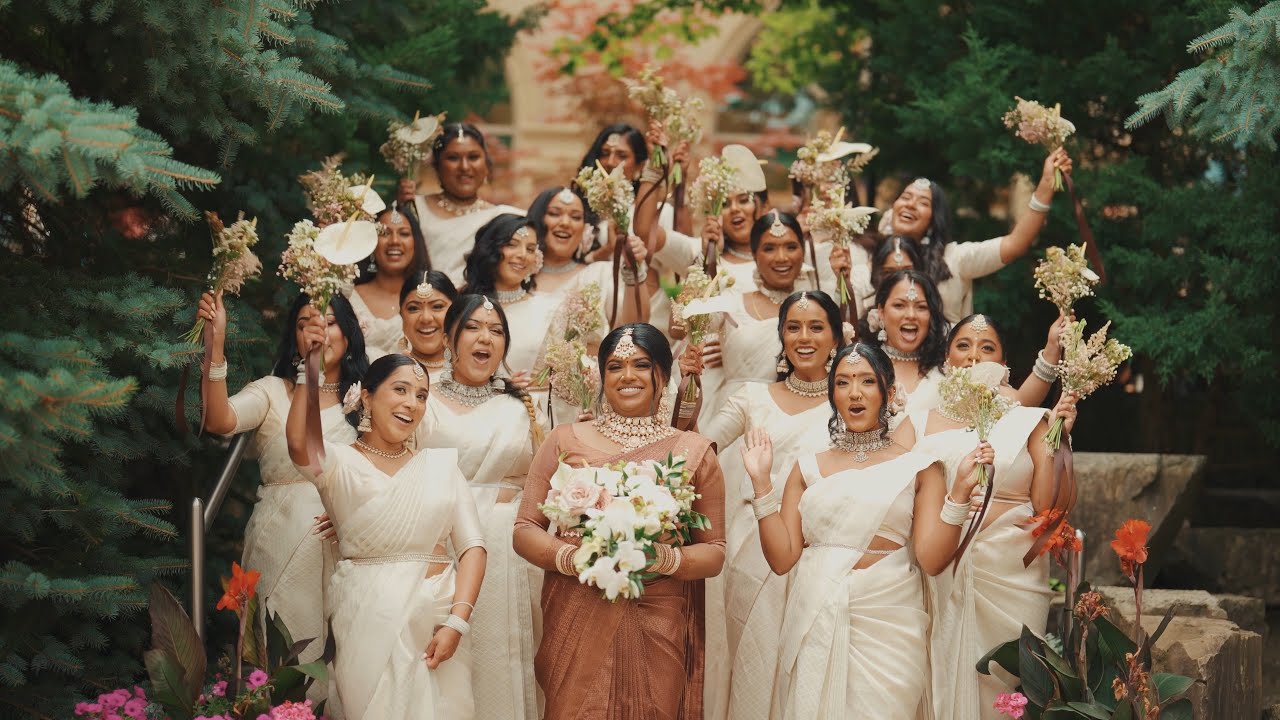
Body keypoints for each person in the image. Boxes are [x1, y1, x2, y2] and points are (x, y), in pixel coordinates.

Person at [740, 342, 986, 718]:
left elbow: (932, 560)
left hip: (891, 620)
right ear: (832, 393)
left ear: (888, 393)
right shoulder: (806, 468)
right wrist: (761, 485)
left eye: (867, 381)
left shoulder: (920, 467)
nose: (854, 392)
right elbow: (781, 559)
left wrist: (960, 494)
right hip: (817, 611)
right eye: (843, 382)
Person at [513, 324, 727, 719]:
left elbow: (714, 552)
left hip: (657, 610)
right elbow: (525, 529)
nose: (627, 376)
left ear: (663, 375)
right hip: (576, 603)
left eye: (641, 365)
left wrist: (658, 556)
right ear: (602, 376)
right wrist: (578, 559)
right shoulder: (564, 439)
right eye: (615, 366)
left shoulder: (693, 452)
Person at [285, 344, 486, 719]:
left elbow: (473, 546)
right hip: (366, 616)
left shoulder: (440, 465)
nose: (412, 402)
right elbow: (298, 443)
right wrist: (309, 369)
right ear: (366, 395)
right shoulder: (338, 463)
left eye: (422, 395)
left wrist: (457, 622)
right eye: (400, 389)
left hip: (436, 624)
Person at [896, 314, 1079, 720]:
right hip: (941, 568)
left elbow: (1047, 504)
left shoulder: (1030, 420)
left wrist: (1058, 439)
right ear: (946, 358)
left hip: (1012, 573)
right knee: (937, 678)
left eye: (987, 347)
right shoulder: (916, 424)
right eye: (962, 345)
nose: (973, 355)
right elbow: (893, 494)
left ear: (1005, 363)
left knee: (1002, 687)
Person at [197, 292, 367, 694]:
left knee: (347, 655)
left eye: (329, 320)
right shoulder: (273, 391)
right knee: (282, 648)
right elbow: (220, 420)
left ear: (349, 331)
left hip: (349, 539)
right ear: (295, 335)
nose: (319, 330)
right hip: (282, 534)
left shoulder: (368, 394)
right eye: (307, 321)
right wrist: (215, 345)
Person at [689, 290, 847, 720]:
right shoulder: (753, 399)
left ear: (837, 336)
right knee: (755, 658)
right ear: (781, 336)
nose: (804, 337)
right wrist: (688, 389)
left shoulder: (851, 404)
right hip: (753, 546)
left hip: (821, 548)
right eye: (793, 328)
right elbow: (700, 445)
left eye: (816, 327)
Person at [418, 294, 543, 719]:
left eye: (496, 330)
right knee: (436, 662)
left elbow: (545, 479)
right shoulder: (419, 399)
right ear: (449, 338)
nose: (485, 337)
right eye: (472, 327)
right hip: (433, 545)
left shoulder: (524, 406)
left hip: (504, 554)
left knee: (498, 658)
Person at [877, 149, 1074, 322]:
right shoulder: (869, 254)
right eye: (905, 197)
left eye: (923, 202)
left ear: (933, 221)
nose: (910, 205)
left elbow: (1015, 243)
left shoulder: (955, 259)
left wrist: (1047, 184)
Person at [406, 122, 523, 287]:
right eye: (453, 158)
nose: (464, 167)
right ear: (437, 165)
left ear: (487, 165)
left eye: (473, 157)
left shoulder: (502, 218)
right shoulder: (415, 208)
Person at [864, 269, 949, 417]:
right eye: (899, 305)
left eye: (921, 307)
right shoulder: (863, 365)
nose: (911, 315)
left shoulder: (947, 370)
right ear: (881, 312)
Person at [349, 204, 429, 355]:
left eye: (404, 234)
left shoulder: (431, 298)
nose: (394, 241)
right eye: (385, 233)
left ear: (416, 243)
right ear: (371, 242)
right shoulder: (350, 298)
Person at [397, 269, 458, 384]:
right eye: (413, 308)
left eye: (437, 306)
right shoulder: (390, 372)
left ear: (456, 312)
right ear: (401, 315)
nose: (426, 318)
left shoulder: (471, 371)